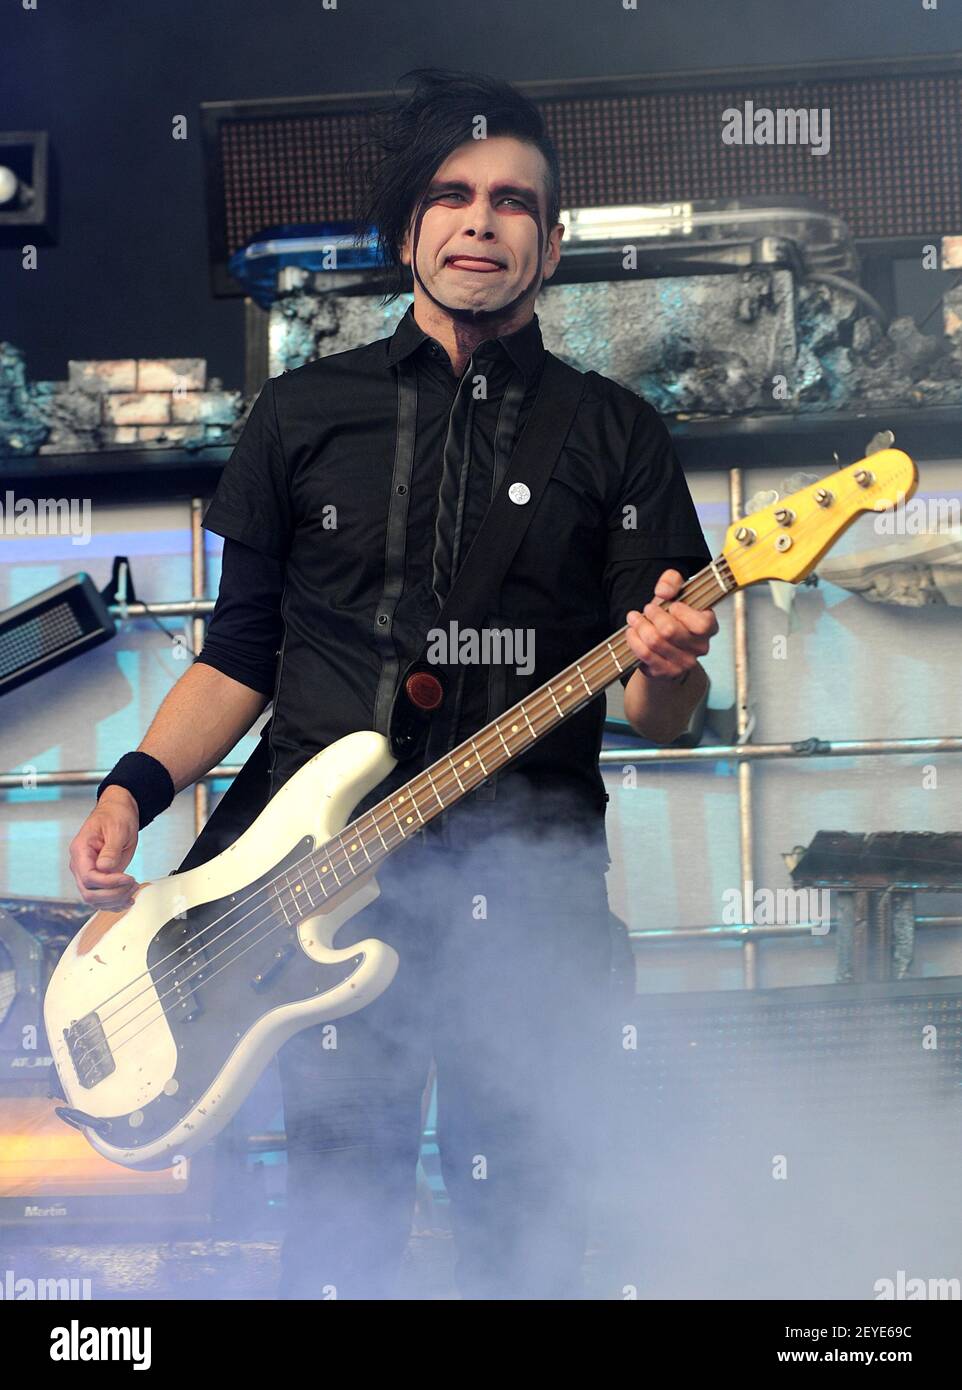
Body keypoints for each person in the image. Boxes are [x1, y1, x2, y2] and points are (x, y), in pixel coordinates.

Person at [68, 68, 718, 1299]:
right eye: (452, 195)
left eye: (514, 201)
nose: (481, 221)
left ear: (551, 244)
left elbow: (661, 714)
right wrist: (132, 788)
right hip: (314, 889)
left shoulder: (615, 434)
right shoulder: (301, 414)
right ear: (406, 232)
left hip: (526, 897)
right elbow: (238, 654)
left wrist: (670, 668)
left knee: (526, 1231)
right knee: (338, 1223)